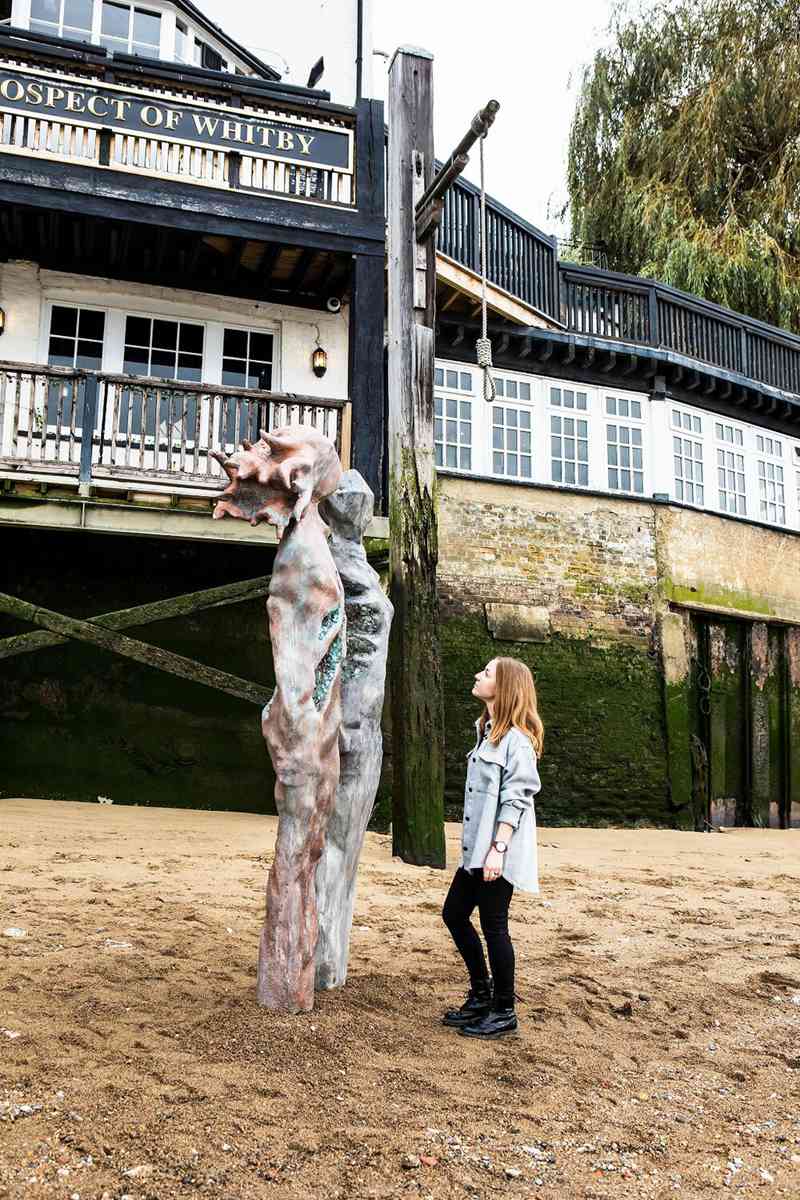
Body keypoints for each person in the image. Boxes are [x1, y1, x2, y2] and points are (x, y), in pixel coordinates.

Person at [441, 656, 543, 1039]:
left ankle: (503, 1010)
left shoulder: (516, 742)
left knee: (494, 927)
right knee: (454, 914)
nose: (476, 675)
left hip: (497, 851)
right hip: (477, 849)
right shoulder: (485, 731)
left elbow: (516, 799)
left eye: (485, 673)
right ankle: (482, 994)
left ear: (504, 688)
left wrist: (498, 849)